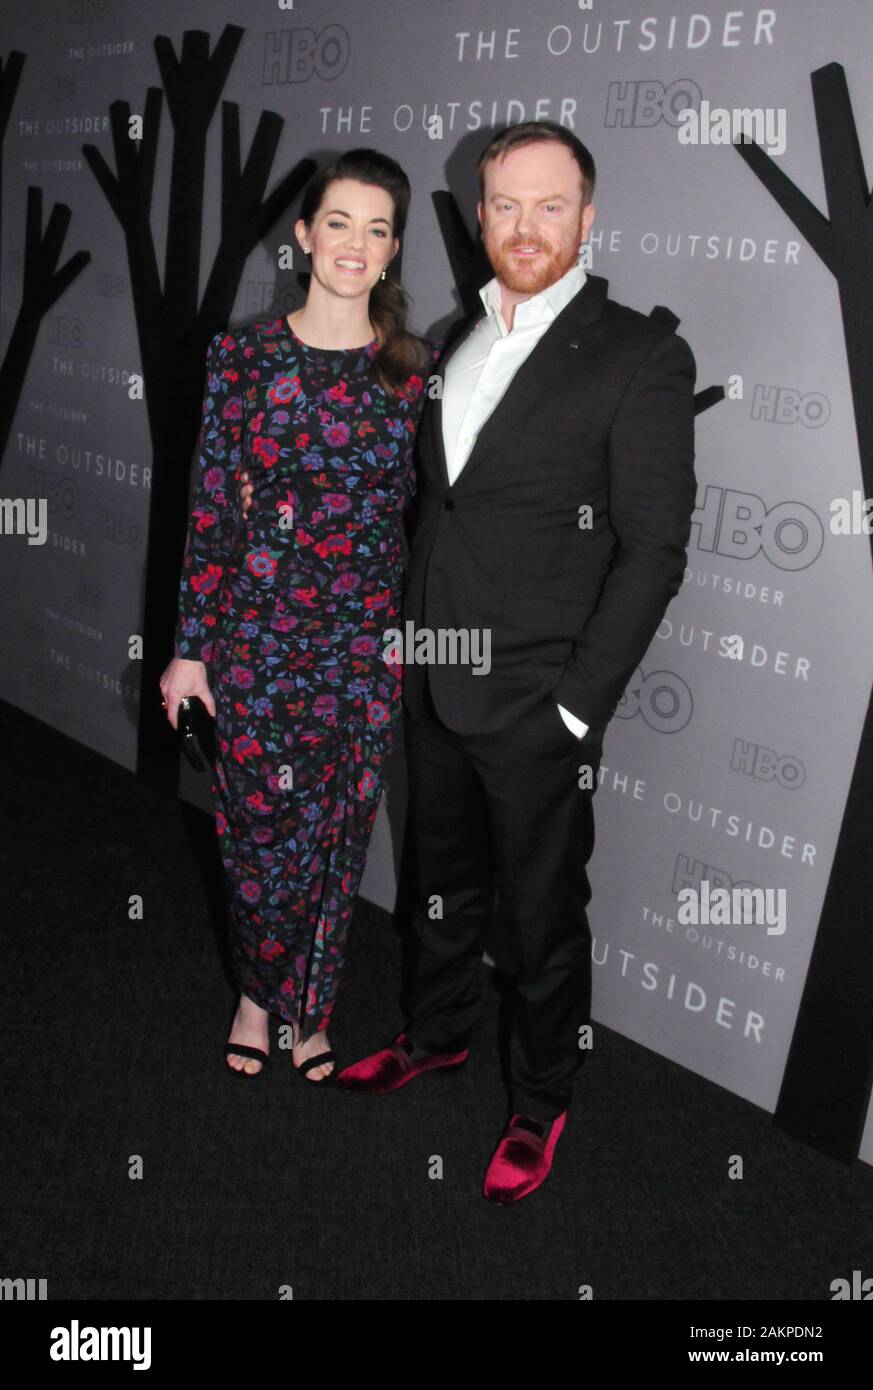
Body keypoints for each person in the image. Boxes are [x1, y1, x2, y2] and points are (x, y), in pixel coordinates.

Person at [330, 121, 697, 1203]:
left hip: (540, 704)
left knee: (540, 921)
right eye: (505, 205)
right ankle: (438, 1033)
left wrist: (575, 712)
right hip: (434, 677)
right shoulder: (458, 338)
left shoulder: (640, 354)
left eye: (550, 205)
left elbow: (653, 550)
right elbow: (444, 509)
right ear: (479, 215)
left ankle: (542, 1100)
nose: (525, 226)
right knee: (441, 886)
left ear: (588, 219)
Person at [160, 149, 438, 1083]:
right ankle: (254, 990)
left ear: (392, 249)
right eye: (338, 223)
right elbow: (207, 511)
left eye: (375, 228)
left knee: (337, 833)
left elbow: (437, 516)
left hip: (360, 649)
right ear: (304, 234)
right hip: (253, 644)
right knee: (256, 833)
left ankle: (309, 1008)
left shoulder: (413, 374)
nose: (353, 244)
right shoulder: (242, 357)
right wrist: (189, 653)